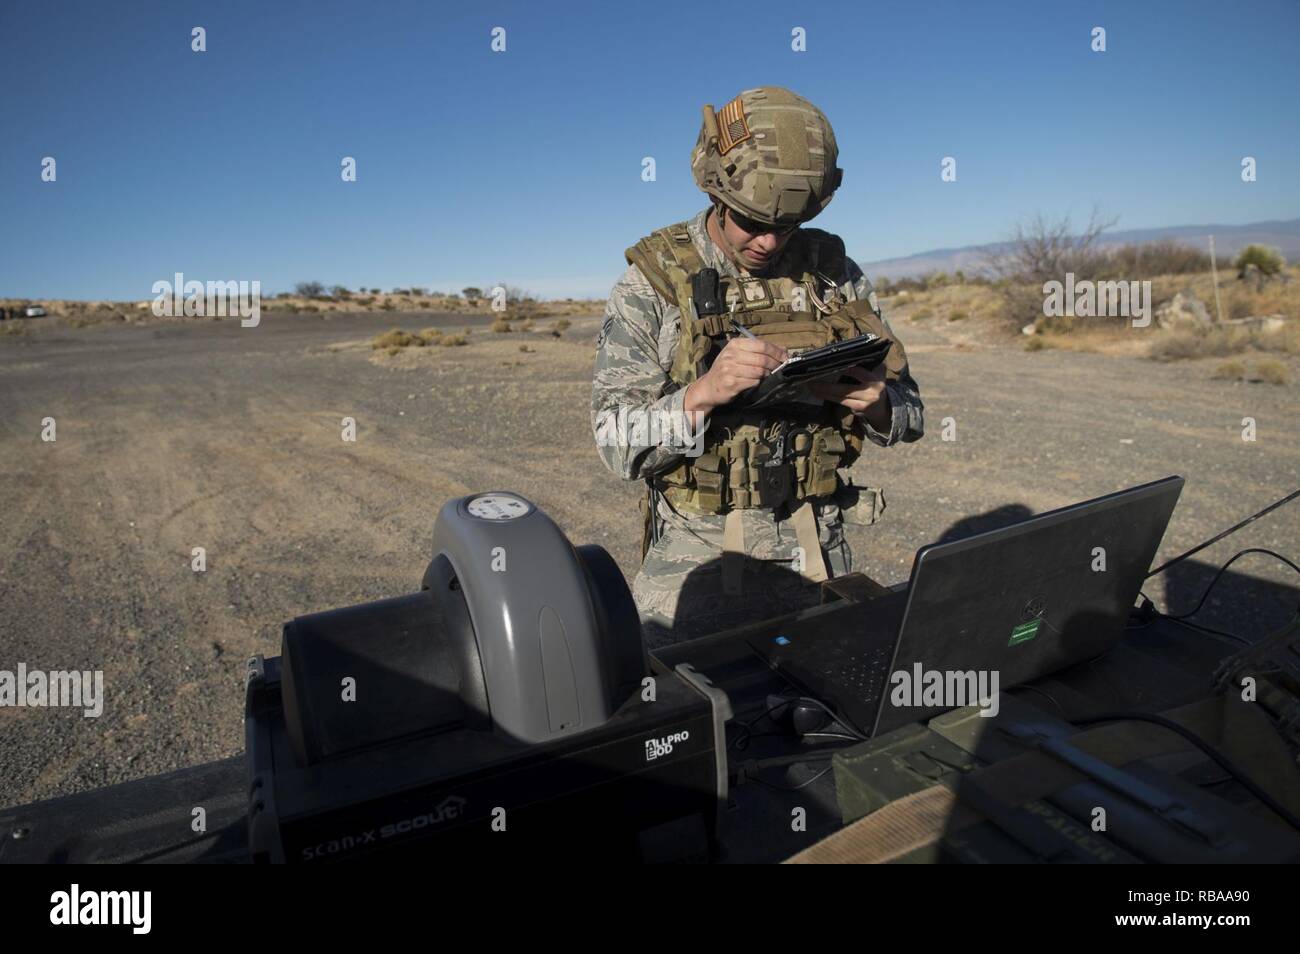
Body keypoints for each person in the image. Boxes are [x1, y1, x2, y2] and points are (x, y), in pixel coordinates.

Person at [590, 86, 924, 646]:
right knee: (694, 719)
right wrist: (703, 393)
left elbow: (911, 414)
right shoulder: (655, 279)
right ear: (716, 190)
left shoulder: (832, 271)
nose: (769, 242)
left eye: (788, 226)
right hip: (698, 566)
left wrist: (880, 404)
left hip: (820, 550)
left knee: (840, 718)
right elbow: (615, 443)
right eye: (751, 221)